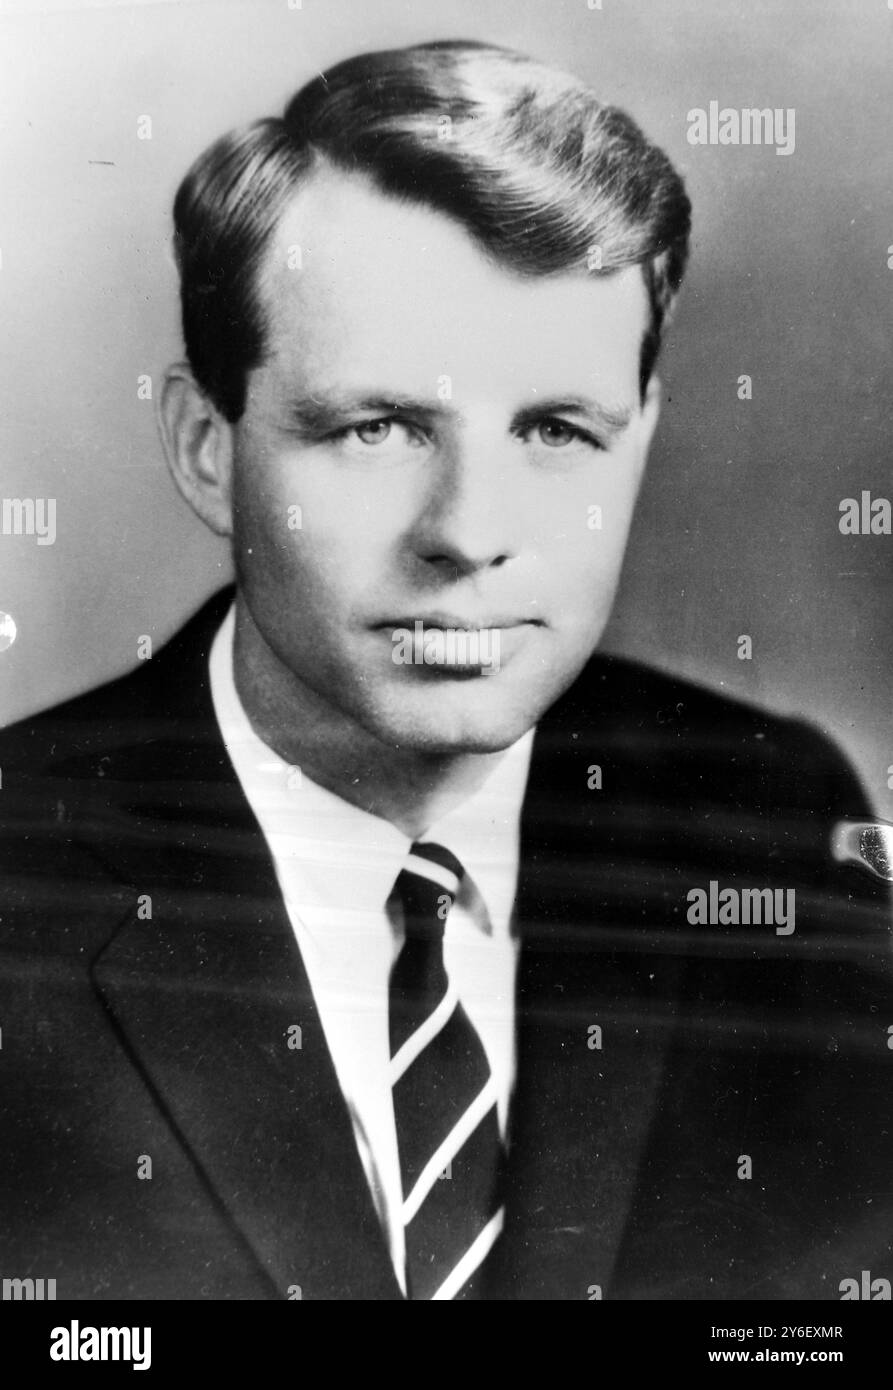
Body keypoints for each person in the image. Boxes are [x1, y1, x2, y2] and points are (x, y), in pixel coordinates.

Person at [0, 39, 890, 1302]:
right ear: (207, 449)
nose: (469, 531)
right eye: (376, 428)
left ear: (641, 438)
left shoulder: (775, 825)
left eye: (556, 430)